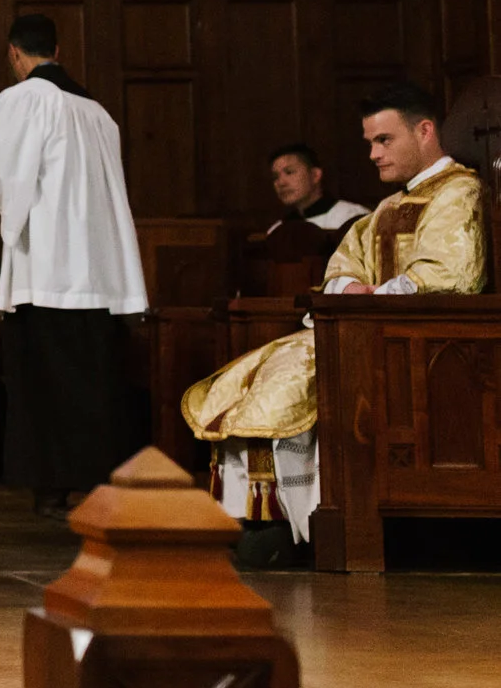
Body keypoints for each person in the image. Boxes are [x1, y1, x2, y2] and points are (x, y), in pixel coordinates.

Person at [185, 82, 484, 567]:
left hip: (413, 342)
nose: (372, 154)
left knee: (289, 383)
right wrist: (350, 291)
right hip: (367, 332)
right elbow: (343, 266)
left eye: (383, 140)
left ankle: (294, 526)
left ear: (425, 131)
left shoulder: (459, 194)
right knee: (263, 371)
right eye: (369, 142)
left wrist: (374, 298)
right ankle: (264, 518)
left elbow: (450, 276)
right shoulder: (389, 207)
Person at [0, 14, 146, 519]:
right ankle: (97, 481)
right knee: (94, 378)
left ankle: (49, 487)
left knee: (42, 380)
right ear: (58, 49)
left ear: (14, 54)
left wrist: (16, 207)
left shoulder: (21, 99)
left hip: (43, 266)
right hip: (98, 269)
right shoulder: (96, 112)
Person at [264, 142, 366, 239]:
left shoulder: (352, 217)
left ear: (315, 175)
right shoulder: (278, 230)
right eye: (275, 177)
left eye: (289, 172)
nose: (281, 183)